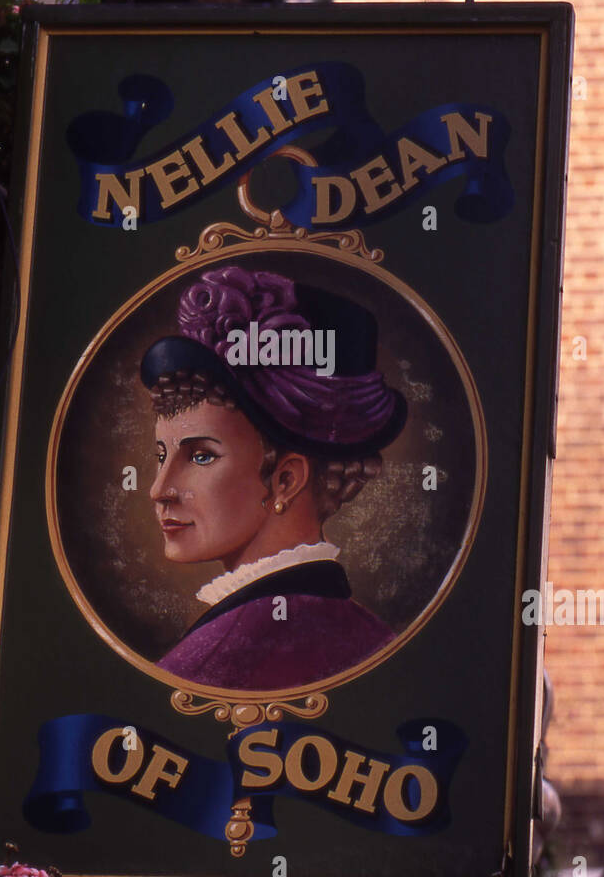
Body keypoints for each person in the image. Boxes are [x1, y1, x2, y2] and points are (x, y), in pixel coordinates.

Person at [140, 265, 408, 692]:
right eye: (160, 456)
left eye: (201, 456)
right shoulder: (369, 636)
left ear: (285, 481)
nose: (159, 490)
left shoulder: (212, 664)